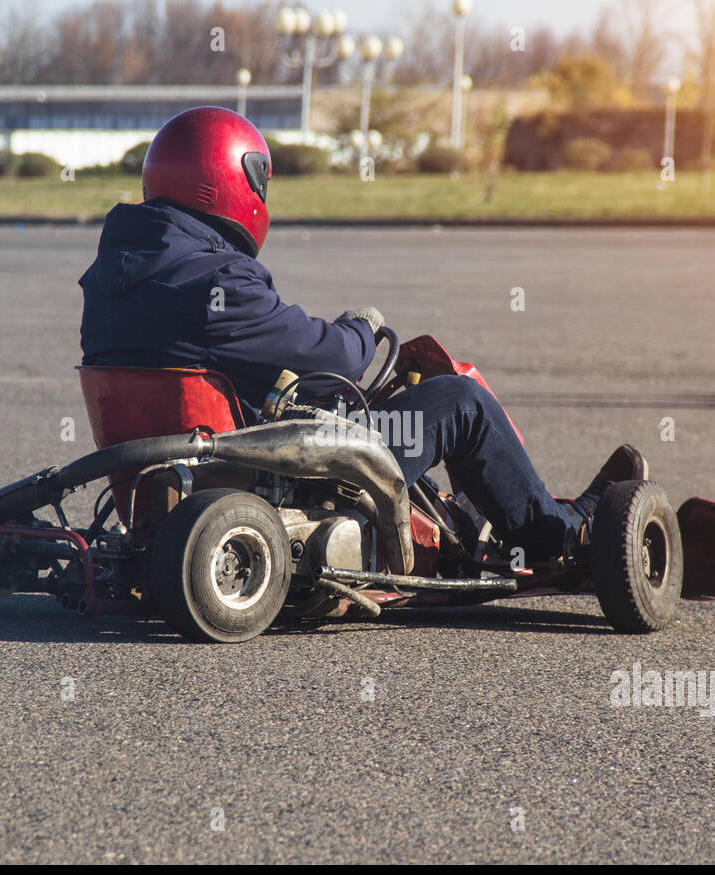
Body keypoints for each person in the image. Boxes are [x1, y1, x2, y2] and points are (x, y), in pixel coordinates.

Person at [80, 106, 645, 564]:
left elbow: (234, 358)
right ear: (224, 180)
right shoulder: (218, 279)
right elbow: (332, 357)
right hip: (270, 477)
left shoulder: (110, 280)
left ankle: (464, 522)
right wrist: (361, 328)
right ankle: (559, 533)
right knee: (462, 401)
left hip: (171, 481)